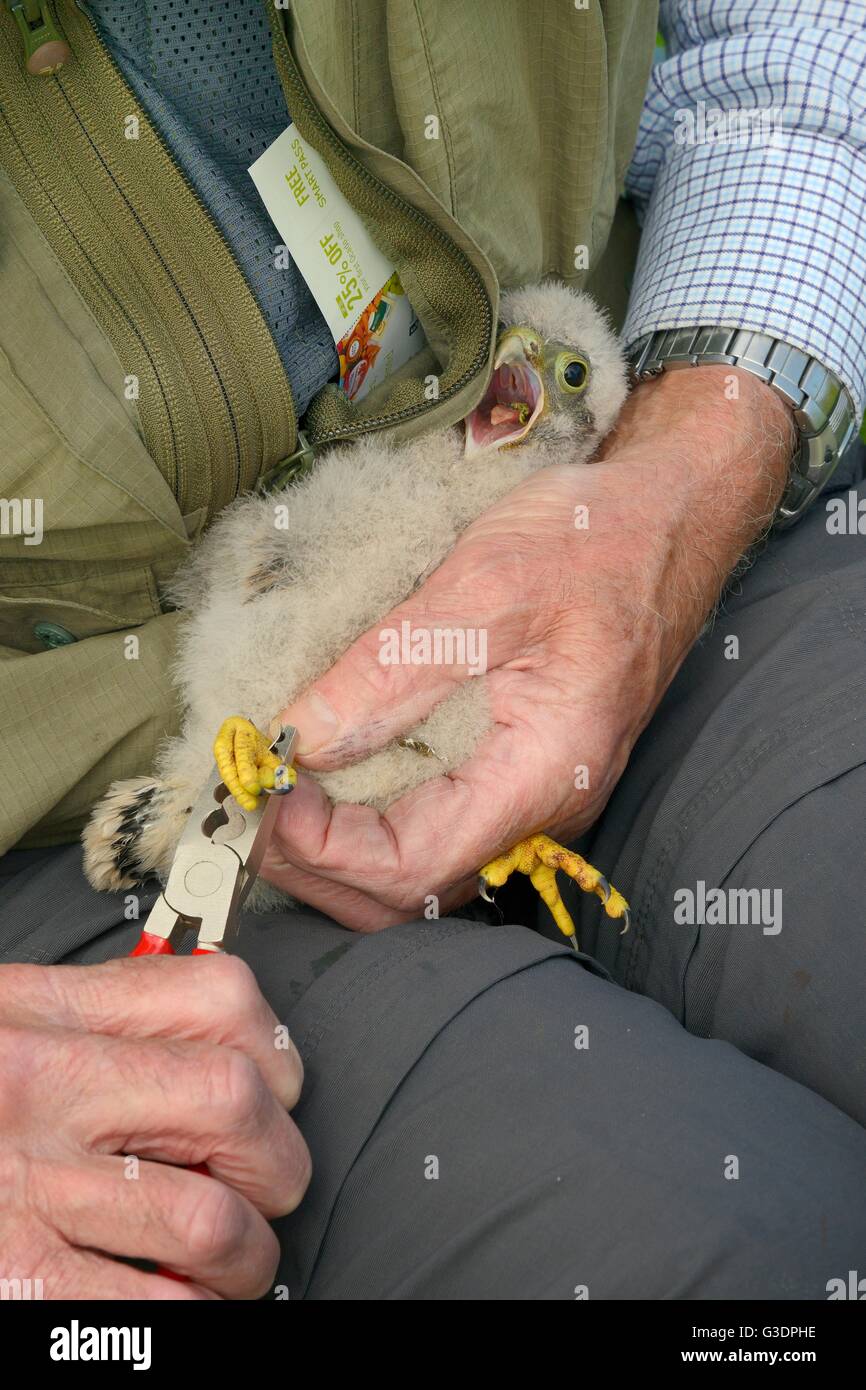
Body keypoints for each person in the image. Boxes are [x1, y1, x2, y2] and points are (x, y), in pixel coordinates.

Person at [1, 0, 865, 1300]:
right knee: (703, 1250)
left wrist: (683, 479)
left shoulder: (574, 413)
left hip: (654, 480)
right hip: (78, 827)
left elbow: (786, 46)